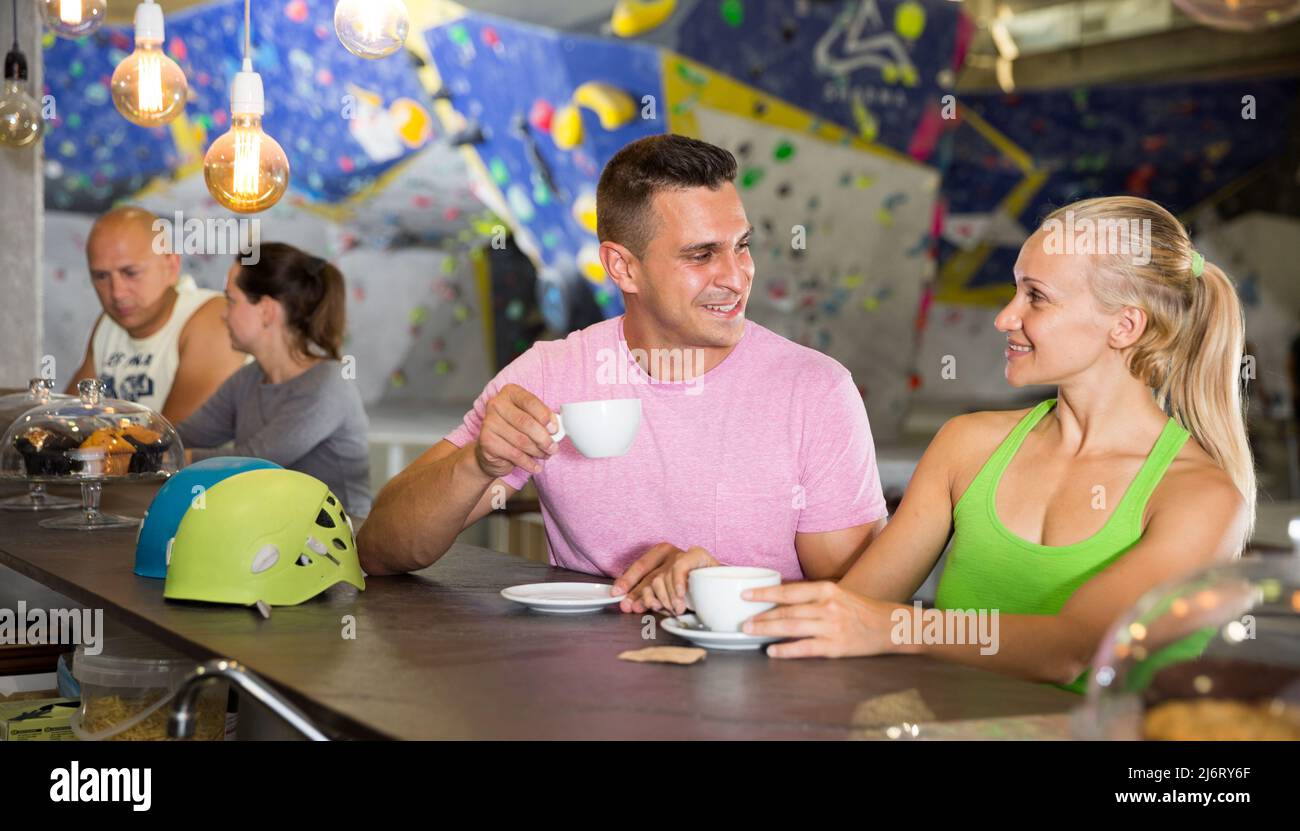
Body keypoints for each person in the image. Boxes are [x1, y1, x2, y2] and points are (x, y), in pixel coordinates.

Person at [739, 196, 1253, 692]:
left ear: (1124, 326)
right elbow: (851, 608)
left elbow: (1068, 650)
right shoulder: (968, 445)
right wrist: (722, 587)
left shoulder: (1201, 498)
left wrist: (898, 628)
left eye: (1037, 296)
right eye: (1015, 291)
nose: (1005, 317)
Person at [358, 134, 889, 600]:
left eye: (742, 246)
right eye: (702, 255)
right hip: (587, 692)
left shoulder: (815, 391)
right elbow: (381, 551)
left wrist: (724, 586)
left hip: (768, 691)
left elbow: (860, 601)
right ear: (622, 267)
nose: (735, 276)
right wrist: (478, 464)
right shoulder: (549, 374)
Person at [177, 243, 372, 518]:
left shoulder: (329, 384)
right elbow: (183, 436)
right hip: (275, 539)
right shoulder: (248, 379)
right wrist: (138, 440)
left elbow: (253, 463)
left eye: (231, 300)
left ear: (267, 310)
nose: (224, 314)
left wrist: (167, 458)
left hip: (339, 547)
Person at [67, 206, 246, 423]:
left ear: (171, 266)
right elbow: (64, 421)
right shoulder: (108, 324)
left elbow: (173, 443)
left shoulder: (210, 319)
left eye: (130, 273)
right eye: (101, 276)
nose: (117, 293)